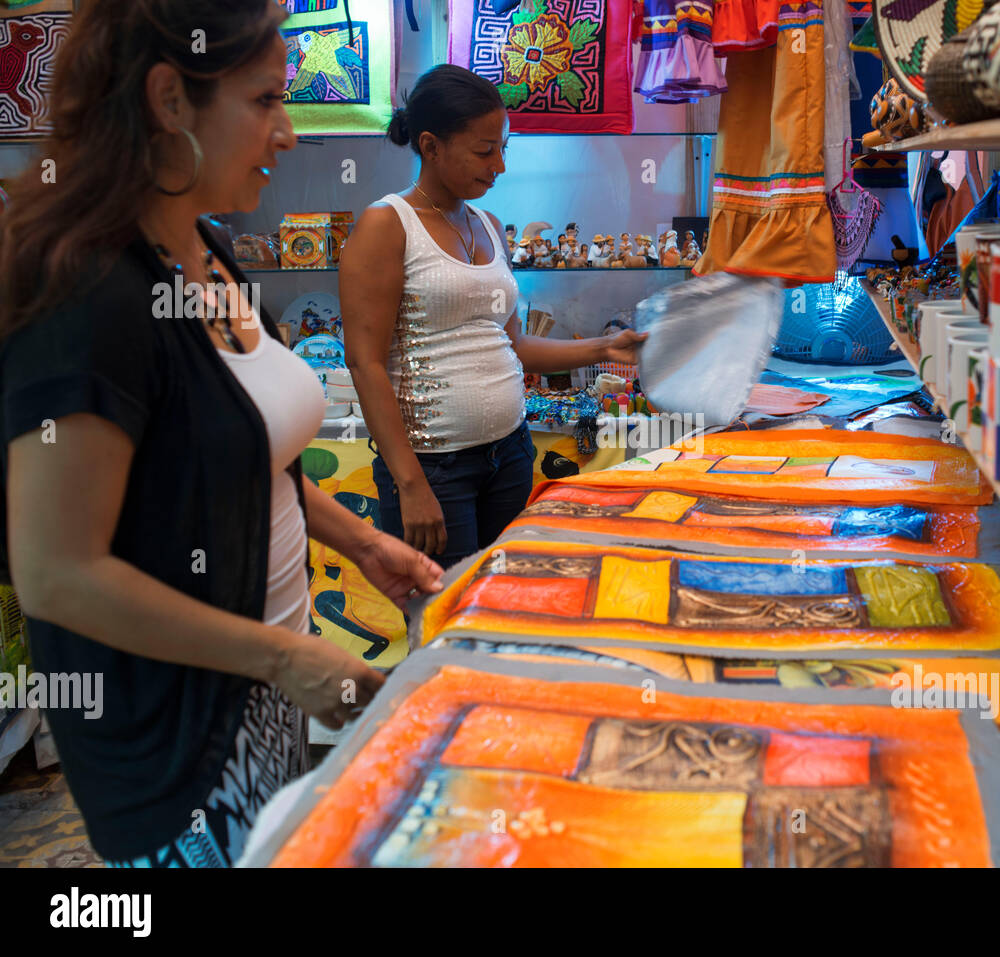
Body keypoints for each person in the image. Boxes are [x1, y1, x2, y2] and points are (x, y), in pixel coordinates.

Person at [0, 0, 441, 867]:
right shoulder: (91, 292)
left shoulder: (203, 251)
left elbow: (244, 454)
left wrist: (358, 540)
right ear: (170, 100)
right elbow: (56, 574)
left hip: (262, 687)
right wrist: (284, 658)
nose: (288, 134)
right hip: (177, 737)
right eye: (267, 100)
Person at [341, 65, 645, 571]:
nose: (499, 165)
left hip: (509, 453)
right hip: (434, 469)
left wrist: (602, 348)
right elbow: (364, 362)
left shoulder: (486, 224)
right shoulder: (386, 224)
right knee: (441, 614)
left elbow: (513, 344)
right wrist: (410, 482)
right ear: (431, 146)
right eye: (485, 151)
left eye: (504, 148)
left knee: (501, 600)